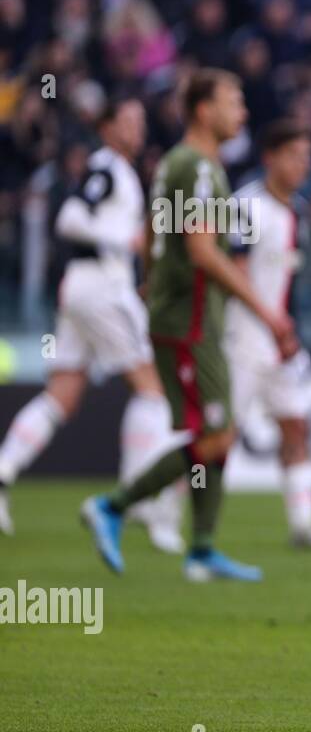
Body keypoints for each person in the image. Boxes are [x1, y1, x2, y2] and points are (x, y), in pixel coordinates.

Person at [81, 69, 298, 581]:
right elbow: (202, 250)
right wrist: (267, 313)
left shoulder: (180, 164)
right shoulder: (197, 168)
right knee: (217, 434)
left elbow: (159, 230)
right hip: (191, 320)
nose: (242, 111)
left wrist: (151, 282)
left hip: (183, 315)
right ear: (204, 110)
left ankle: (201, 546)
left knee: (214, 432)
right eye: (233, 101)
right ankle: (115, 506)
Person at [0, 99, 181, 551]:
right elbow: (70, 218)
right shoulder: (108, 168)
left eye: (141, 121)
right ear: (107, 128)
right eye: (128, 121)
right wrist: (124, 240)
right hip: (102, 286)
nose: (137, 130)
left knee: (63, 394)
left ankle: (2, 472)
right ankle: (133, 497)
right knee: (154, 389)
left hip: (81, 288)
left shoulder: (117, 170)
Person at [226, 119, 311, 552]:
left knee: (295, 426)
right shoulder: (244, 205)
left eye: (307, 157)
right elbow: (235, 272)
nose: (303, 165)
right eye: (295, 155)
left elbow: (288, 279)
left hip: (281, 338)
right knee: (219, 436)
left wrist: (288, 329)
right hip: (242, 336)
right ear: (270, 158)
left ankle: (304, 525)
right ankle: (163, 514)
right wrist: (270, 322)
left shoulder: (297, 209)